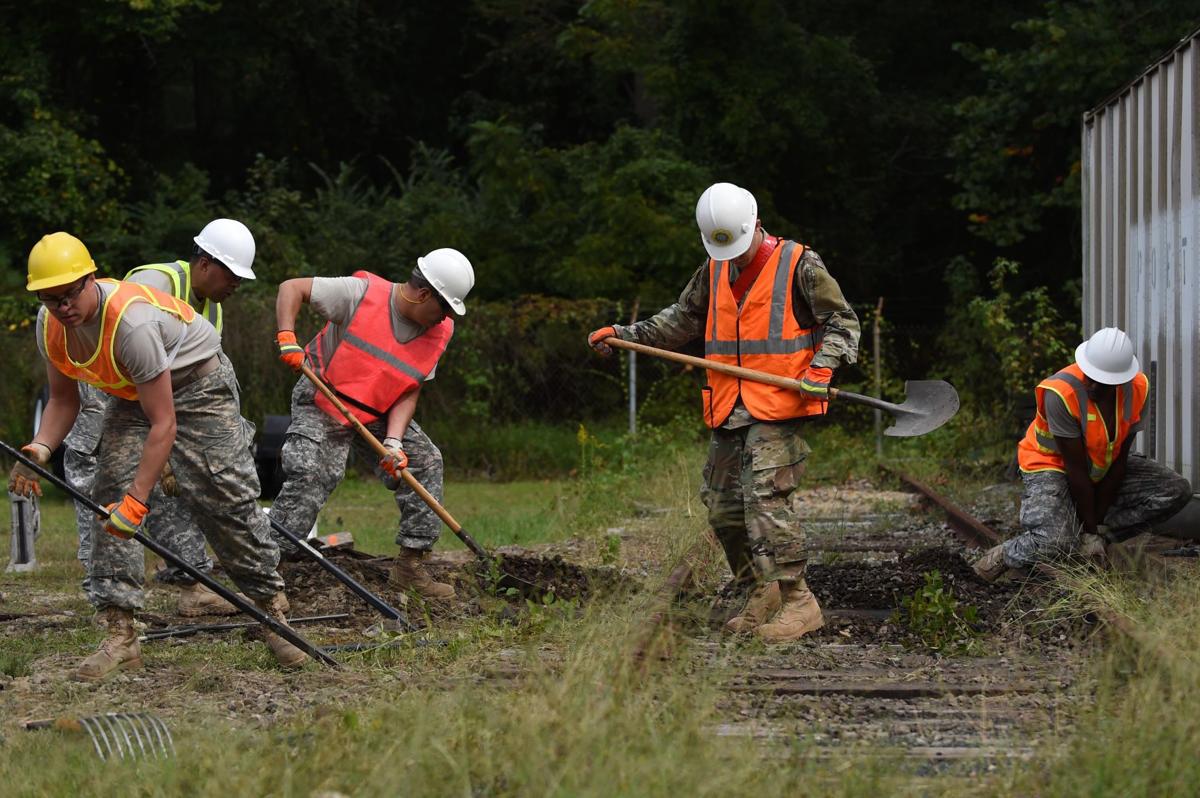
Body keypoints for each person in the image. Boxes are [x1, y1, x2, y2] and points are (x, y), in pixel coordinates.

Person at [9, 232, 305, 680]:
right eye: (51, 299)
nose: (63, 306)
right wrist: (39, 449)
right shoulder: (50, 324)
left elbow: (164, 424)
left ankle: (272, 614)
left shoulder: (132, 324)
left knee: (225, 501)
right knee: (106, 497)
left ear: (91, 278)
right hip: (133, 393)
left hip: (200, 387)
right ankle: (120, 635)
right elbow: (64, 401)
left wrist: (138, 500)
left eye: (70, 293)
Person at [588, 182, 861, 642]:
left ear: (755, 224)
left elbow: (843, 321)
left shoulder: (800, 264)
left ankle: (799, 601)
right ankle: (759, 588)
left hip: (778, 405)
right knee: (721, 505)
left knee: (765, 496)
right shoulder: (713, 268)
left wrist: (823, 366)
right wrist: (624, 333)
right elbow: (681, 319)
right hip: (729, 407)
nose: (731, 256)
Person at [65, 219, 257, 617]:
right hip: (112, 388)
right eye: (231, 274)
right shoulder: (158, 284)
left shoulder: (209, 307)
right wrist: (163, 450)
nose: (236, 285)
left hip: (157, 393)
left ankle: (190, 578)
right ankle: (100, 578)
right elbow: (133, 356)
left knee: (171, 483)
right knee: (111, 481)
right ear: (205, 263)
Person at [269, 249, 474, 600]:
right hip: (324, 398)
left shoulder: (439, 332)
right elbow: (292, 287)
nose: (443, 320)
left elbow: (409, 388)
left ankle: (411, 567)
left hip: (378, 409)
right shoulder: (360, 293)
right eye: (443, 309)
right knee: (313, 472)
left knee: (425, 461)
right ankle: (265, 571)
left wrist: (394, 443)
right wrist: (287, 336)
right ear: (424, 294)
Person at [974, 327, 1192, 580]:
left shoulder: (1137, 389)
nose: (1090, 384)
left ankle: (1088, 539)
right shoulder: (1061, 393)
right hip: (1049, 463)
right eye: (1089, 375)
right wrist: (1088, 532)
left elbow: (1119, 462)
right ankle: (1007, 553)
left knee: (1176, 490)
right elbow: (1076, 472)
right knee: (1055, 541)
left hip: (1103, 464)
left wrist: (1097, 530)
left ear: (1119, 382)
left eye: (1100, 382)